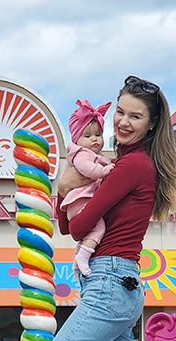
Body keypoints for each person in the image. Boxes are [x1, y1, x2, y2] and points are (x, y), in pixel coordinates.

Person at [29, 76, 176, 341]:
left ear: (151, 123)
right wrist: (65, 189)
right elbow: (68, 224)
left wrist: (63, 183)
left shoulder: (130, 166)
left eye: (135, 116)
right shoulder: (123, 165)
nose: (124, 122)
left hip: (109, 283)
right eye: (120, 112)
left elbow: (78, 229)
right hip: (120, 284)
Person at [62, 99, 113, 277]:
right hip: (80, 200)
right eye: (88, 136)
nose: (94, 139)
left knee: (88, 236)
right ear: (77, 138)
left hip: (80, 202)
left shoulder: (96, 155)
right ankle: (83, 258)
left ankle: (77, 261)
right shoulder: (81, 153)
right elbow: (87, 169)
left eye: (98, 135)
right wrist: (104, 171)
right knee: (99, 230)